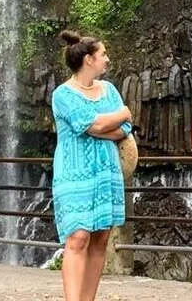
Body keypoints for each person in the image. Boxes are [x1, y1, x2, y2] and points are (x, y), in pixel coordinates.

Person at [51, 30, 133, 301]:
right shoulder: (63, 94)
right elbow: (91, 124)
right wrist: (117, 116)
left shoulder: (108, 89)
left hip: (106, 172)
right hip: (74, 172)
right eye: (103, 55)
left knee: (100, 239)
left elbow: (125, 127)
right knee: (77, 238)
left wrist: (107, 124)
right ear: (89, 59)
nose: (107, 60)